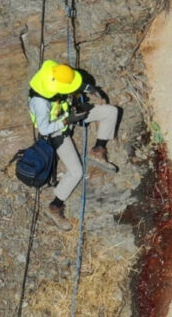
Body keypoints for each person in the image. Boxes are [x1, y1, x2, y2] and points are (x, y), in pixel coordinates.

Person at [26, 58, 119, 222]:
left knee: (111, 112)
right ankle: (55, 206)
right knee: (76, 172)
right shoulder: (40, 103)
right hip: (56, 132)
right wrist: (67, 121)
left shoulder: (53, 75)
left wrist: (86, 88)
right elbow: (44, 129)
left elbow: (66, 82)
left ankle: (98, 151)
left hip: (68, 113)